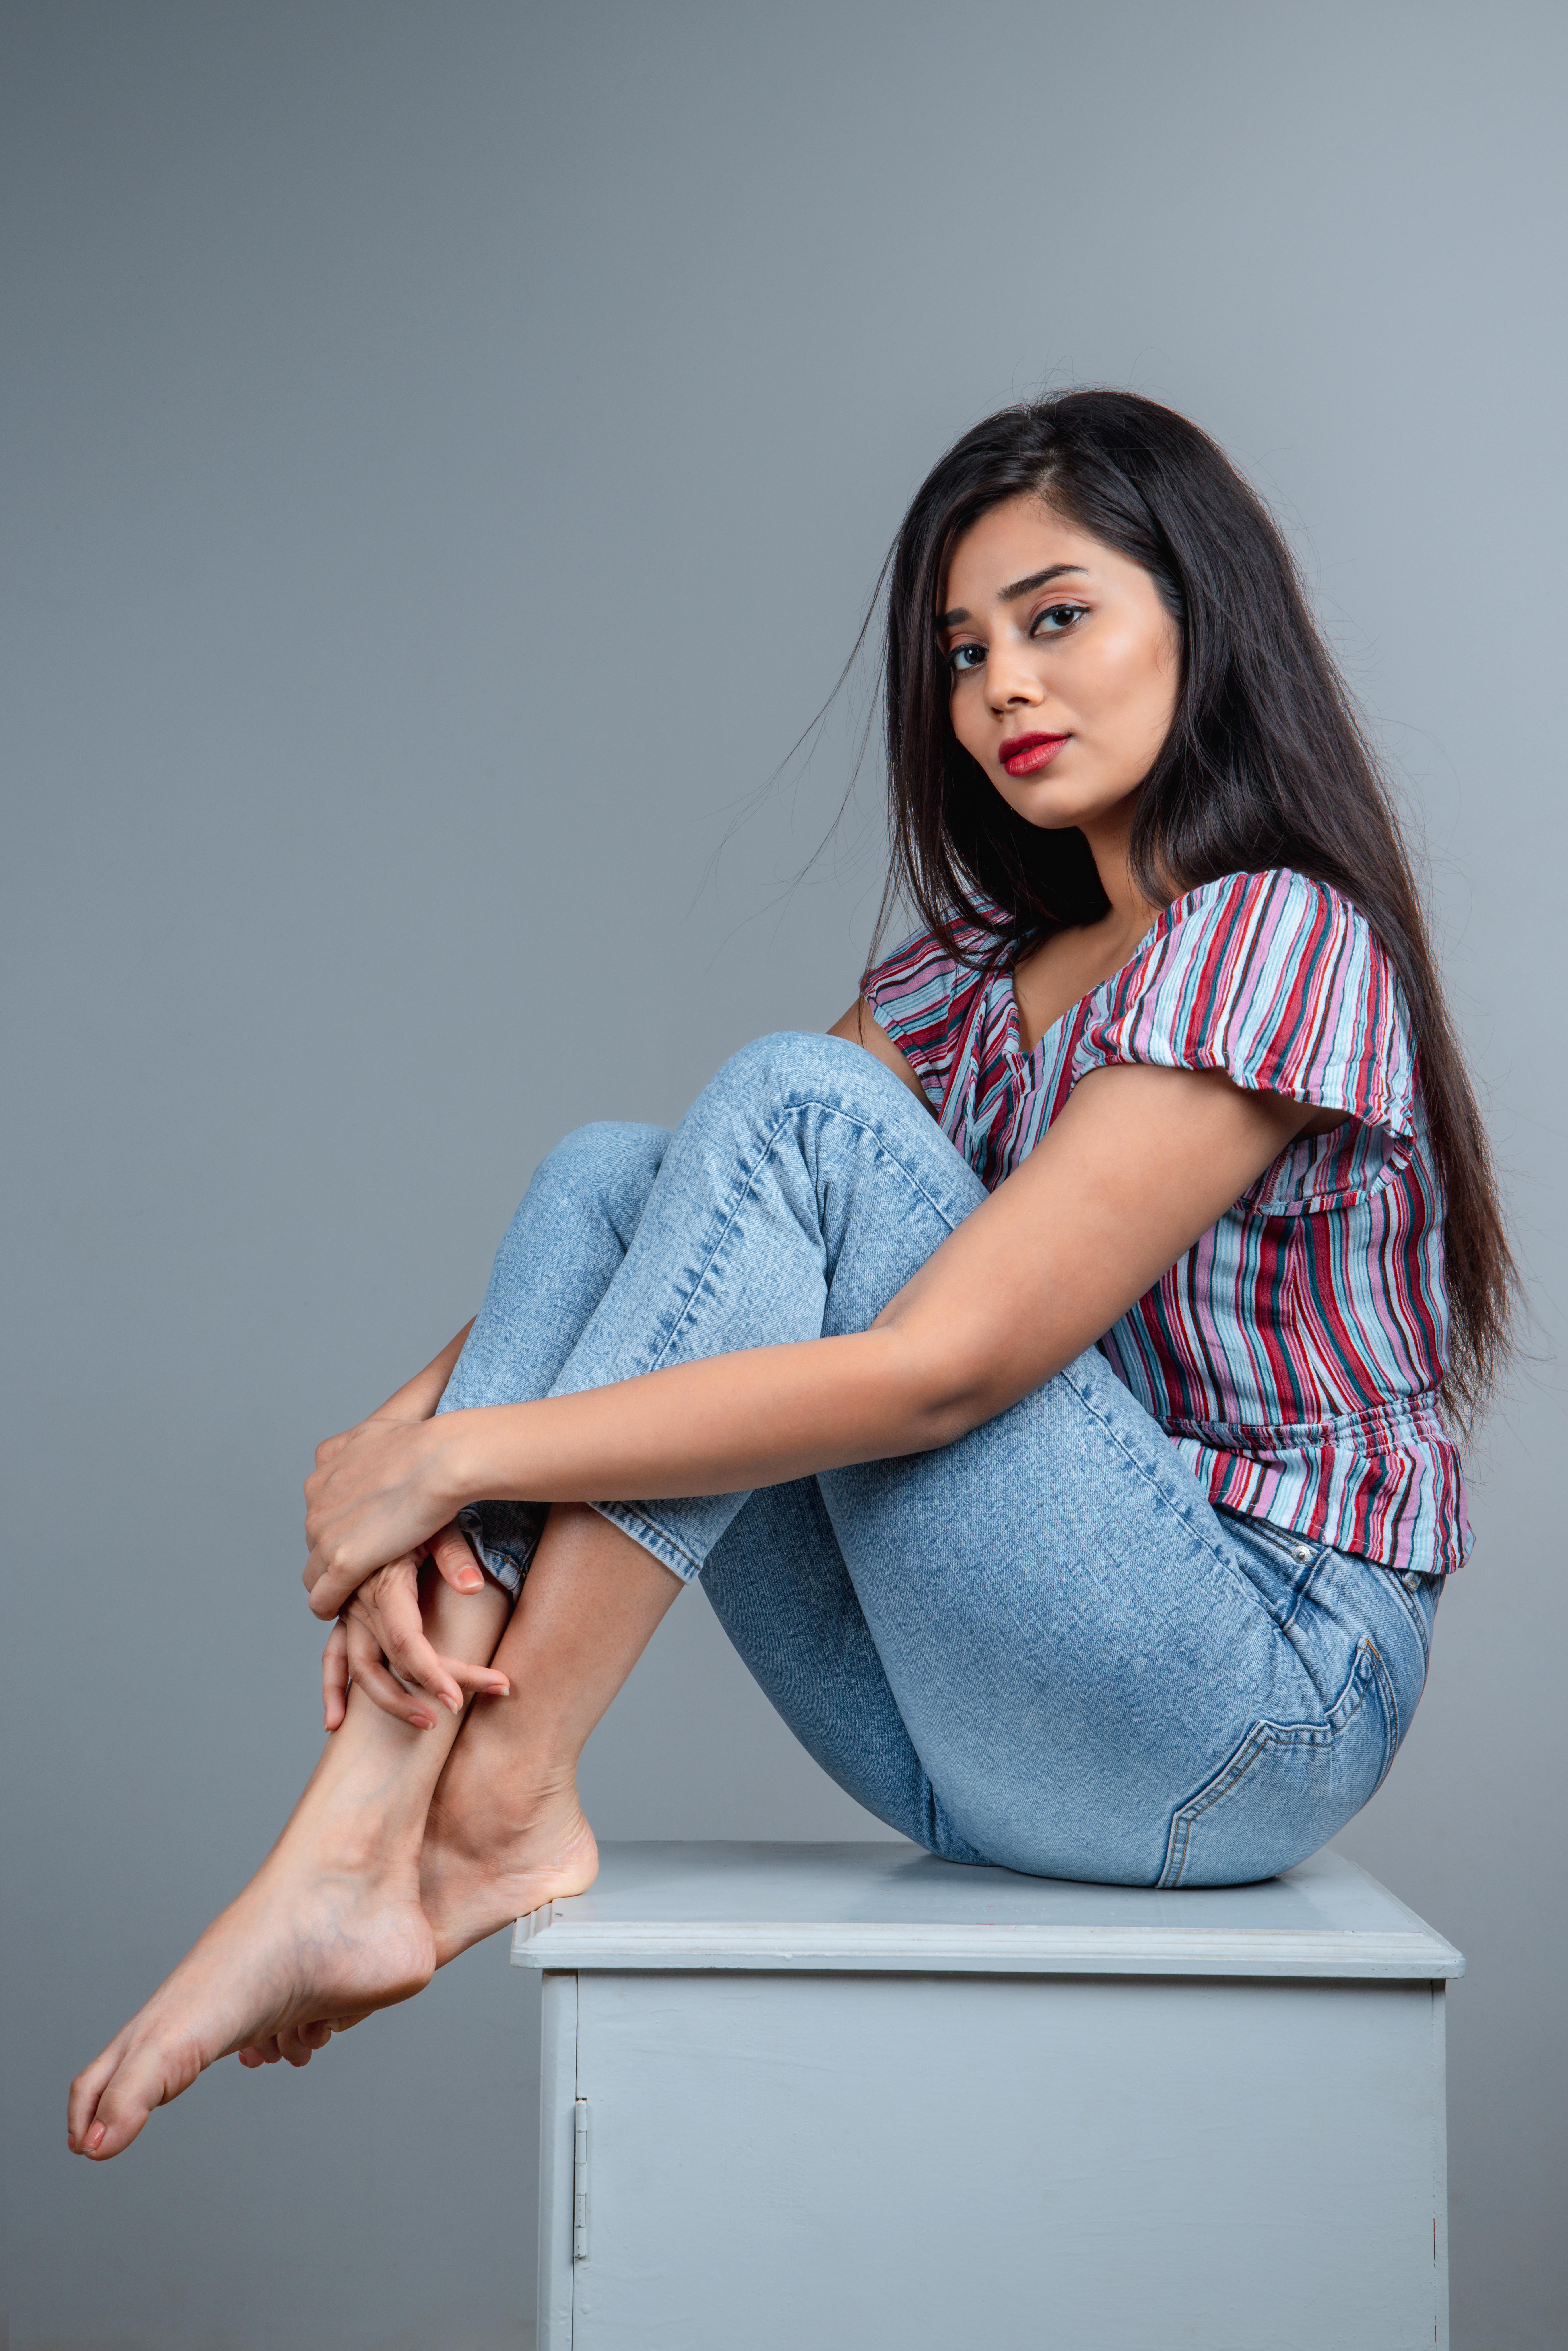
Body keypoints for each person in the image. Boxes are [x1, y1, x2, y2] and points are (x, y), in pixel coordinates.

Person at [69, 390, 1513, 2161]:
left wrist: (451, 1464)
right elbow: (690, 1217)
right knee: (616, 1172)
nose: (1001, 688)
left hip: (1247, 1710)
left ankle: (492, 1798)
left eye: (1056, 617)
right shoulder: (989, 967)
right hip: (979, 1744)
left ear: (1201, 622)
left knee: (792, 1109)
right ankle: (367, 1818)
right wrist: (386, 1446)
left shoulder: (1278, 933)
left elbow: (944, 1373)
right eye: (962, 650)